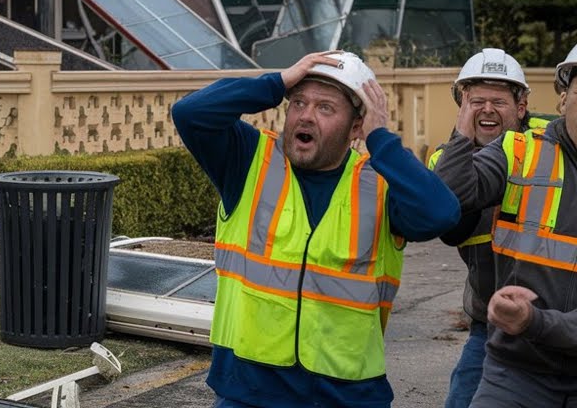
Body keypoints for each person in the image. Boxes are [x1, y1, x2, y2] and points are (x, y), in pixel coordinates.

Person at [171, 50, 460, 408]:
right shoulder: (249, 160)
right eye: (298, 103)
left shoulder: (381, 184)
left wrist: (382, 140)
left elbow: (441, 214)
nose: (306, 115)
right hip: (249, 393)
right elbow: (190, 113)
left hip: (347, 396)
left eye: (325, 108)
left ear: (356, 127)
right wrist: (277, 82)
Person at [434, 45, 577, 406]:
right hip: (503, 333)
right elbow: (449, 220)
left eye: (498, 101)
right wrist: (462, 139)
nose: (486, 110)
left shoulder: (537, 145)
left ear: (521, 106)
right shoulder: (492, 153)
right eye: (475, 101)